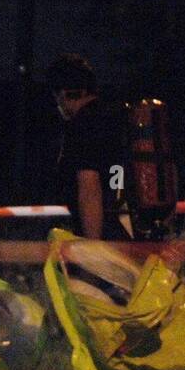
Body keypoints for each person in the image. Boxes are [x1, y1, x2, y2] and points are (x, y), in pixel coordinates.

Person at [47, 54, 128, 240]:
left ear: (63, 93)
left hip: (110, 237)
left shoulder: (82, 126)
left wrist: (93, 249)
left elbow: (89, 188)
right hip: (138, 229)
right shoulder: (119, 117)